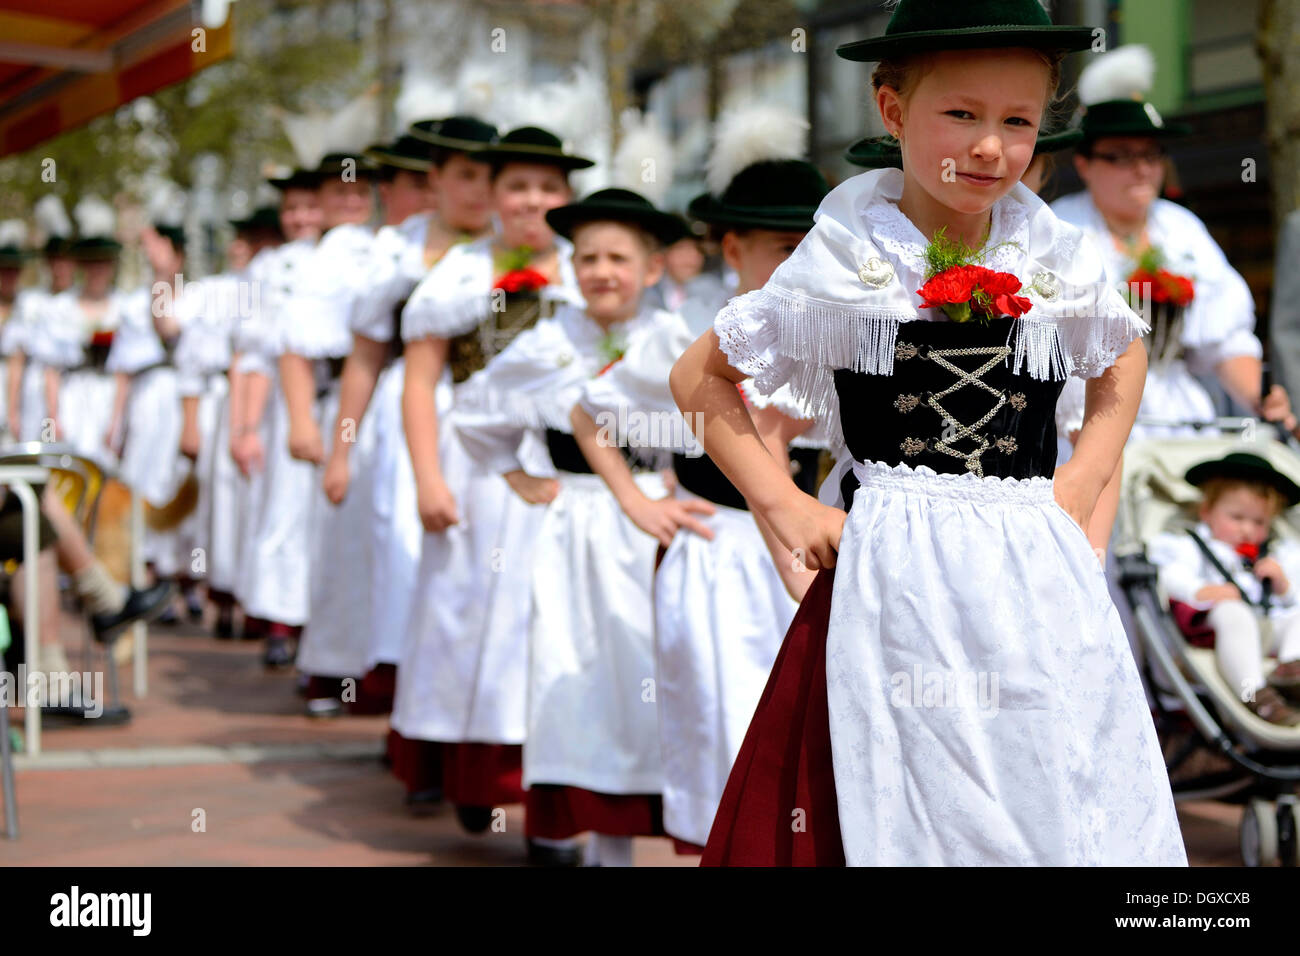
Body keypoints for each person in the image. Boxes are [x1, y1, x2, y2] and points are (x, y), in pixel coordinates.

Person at [670, 0, 1186, 865]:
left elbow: (1121, 363)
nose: (990, 146)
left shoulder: (1055, 255)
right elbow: (698, 380)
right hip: (893, 574)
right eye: (962, 114)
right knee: (899, 793)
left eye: (1017, 121)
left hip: (1032, 575)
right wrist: (786, 506)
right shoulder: (843, 256)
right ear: (894, 111)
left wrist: (1080, 486)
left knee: (1045, 783)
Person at [571, 110, 828, 853]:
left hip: (819, 555)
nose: (801, 263)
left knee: (811, 739)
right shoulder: (680, 342)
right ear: (731, 246)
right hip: (721, 556)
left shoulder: (843, 337)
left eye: (814, 246)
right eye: (784, 248)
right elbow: (592, 414)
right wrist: (637, 501)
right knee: (725, 723)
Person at [456, 187, 684, 866]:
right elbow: (475, 408)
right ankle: (563, 825)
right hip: (576, 523)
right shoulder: (549, 342)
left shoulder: (672, 339)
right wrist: (514, 472)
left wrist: (681, 477)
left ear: (650, 269)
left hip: (652, 519)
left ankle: (622, 834)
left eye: (619, 257)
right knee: (572, 666)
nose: (602, 271)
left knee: (641, 668)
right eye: (587, 258)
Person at [396, 125, 585, 861]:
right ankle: (476, 776)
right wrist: (428, 479)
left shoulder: (589, 266)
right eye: (517, 186)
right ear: (493, 194)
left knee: (555, 621)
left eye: (547, 187)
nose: (532, 201)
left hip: (570, 470)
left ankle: (551, 797)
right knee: (471, 617)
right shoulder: (455, 275)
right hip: (475, 470)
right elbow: (419, 382)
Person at [1053, 45, 1294, 445]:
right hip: (1084, 419)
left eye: (1152, 154)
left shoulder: (1182, 228)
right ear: (1084, 163)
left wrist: (1260, 397)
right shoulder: (1060, 228)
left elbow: (1225, 339)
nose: (1142, 168)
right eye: (1122, 156)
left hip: (1177, 421)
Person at [282, 147, 383, 713]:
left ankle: (377, 665)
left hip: (391, 397)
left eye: (357, 190)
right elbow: (295, 345)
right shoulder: (317, 260)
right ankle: (333, 667)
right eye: (337, 191)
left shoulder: (381, 245)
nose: (349, 198)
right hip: (343, 398)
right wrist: (301, 420)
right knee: (341, 542)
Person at [175, 207, 283, 637]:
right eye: (245, 238)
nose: (249, 249)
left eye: (260, 240)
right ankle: (224, 598)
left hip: (280, 399)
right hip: (230, 399)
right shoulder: (213, 290)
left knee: (264, 506)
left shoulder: (282, 279)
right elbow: (180, 340)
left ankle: (265, 609)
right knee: (225, 504)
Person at [231, 169, 323, 665]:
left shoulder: (346, 258)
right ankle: (281, 621)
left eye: (311, 206)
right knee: (283, 510)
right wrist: (243, 427)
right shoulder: (268, 268)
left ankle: (323, 625)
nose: (301, 218)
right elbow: (250, 353)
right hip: (284, 405)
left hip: (338, 401)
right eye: (292, 209)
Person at [1149, 453, 1300, 726]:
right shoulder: (1191, 544)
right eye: (1236, 517)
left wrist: (1283, 585)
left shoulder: (1277, 552)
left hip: (1268, 626)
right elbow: (1169, 575)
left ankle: (1292, 670)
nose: (1247, 530)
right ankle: (1255, 693)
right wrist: (1203, 590)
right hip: (1222, 631)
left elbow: (1293, 599)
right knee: (1233, 611)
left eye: (1259, 522)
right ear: (1207, 512)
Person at [34, 198, 131, 468]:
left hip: (107, 397)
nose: (97, 270)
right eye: (91, 263)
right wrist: (53, 416)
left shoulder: (124, 308)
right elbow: (50, 369)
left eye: (103, 263)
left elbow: (123, 371)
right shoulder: (60, 308)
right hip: (72, 397)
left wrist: (117, 419)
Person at [5, 196, 76, 442]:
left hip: (76, 394)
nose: (61, 268)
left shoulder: (79, 303)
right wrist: (11, 411)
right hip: (35, 396)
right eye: (55, 261)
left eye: (66, 261)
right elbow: (17, 358)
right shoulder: (31, 302)